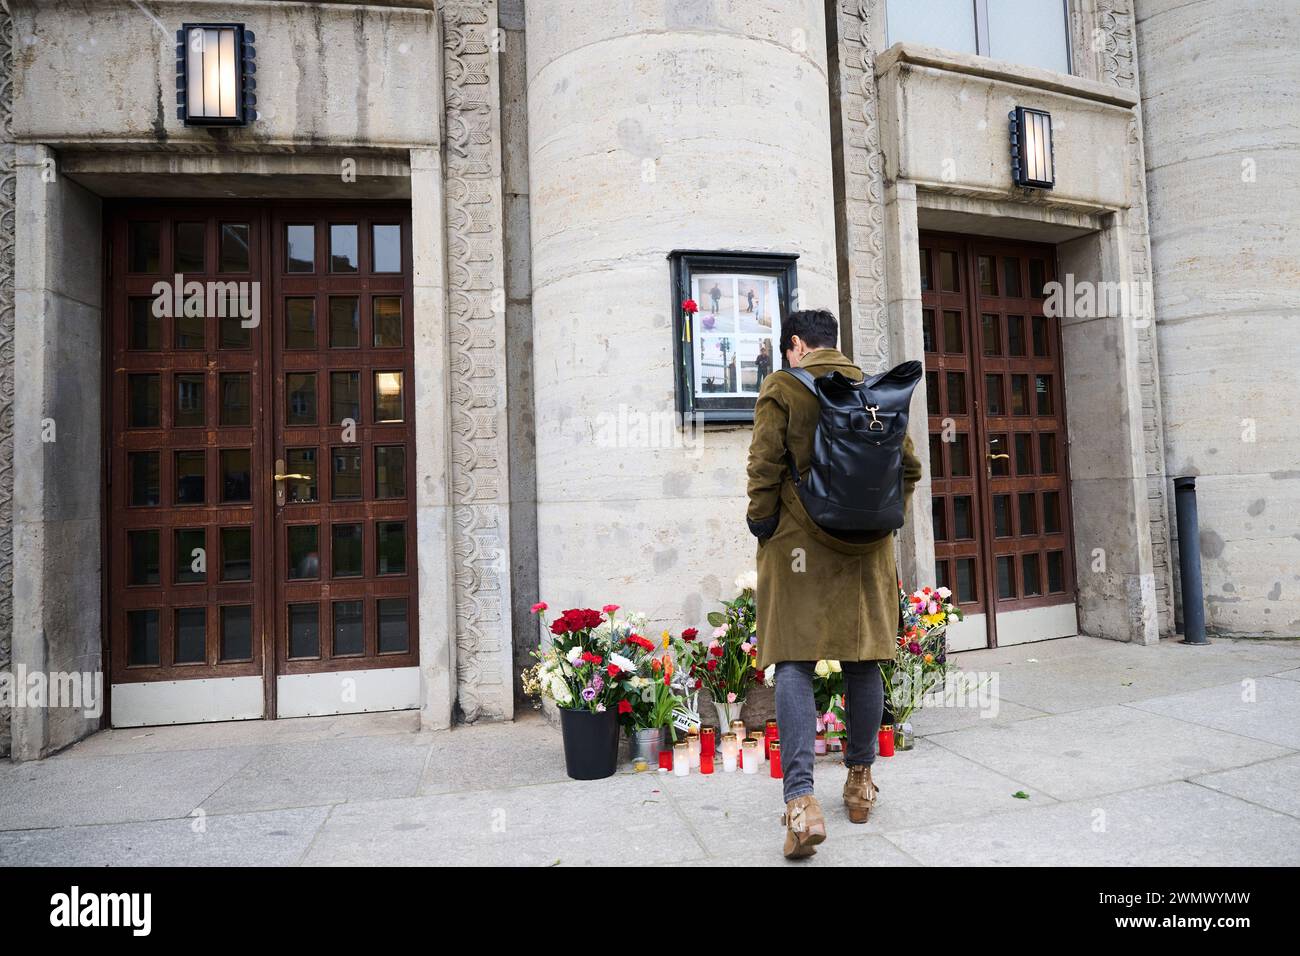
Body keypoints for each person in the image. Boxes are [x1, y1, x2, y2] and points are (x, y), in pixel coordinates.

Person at [745, 308, 922, 860]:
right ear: (833, 344)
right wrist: (874, 513)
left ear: (795, 344)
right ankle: (860, 784)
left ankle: (802, 804)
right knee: (862, 661)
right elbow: (910, 469)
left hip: (798, 548)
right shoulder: (871, 390)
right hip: (866, 553)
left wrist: (762, 520)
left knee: (795, 663)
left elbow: (763, 464)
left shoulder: (783, 387)